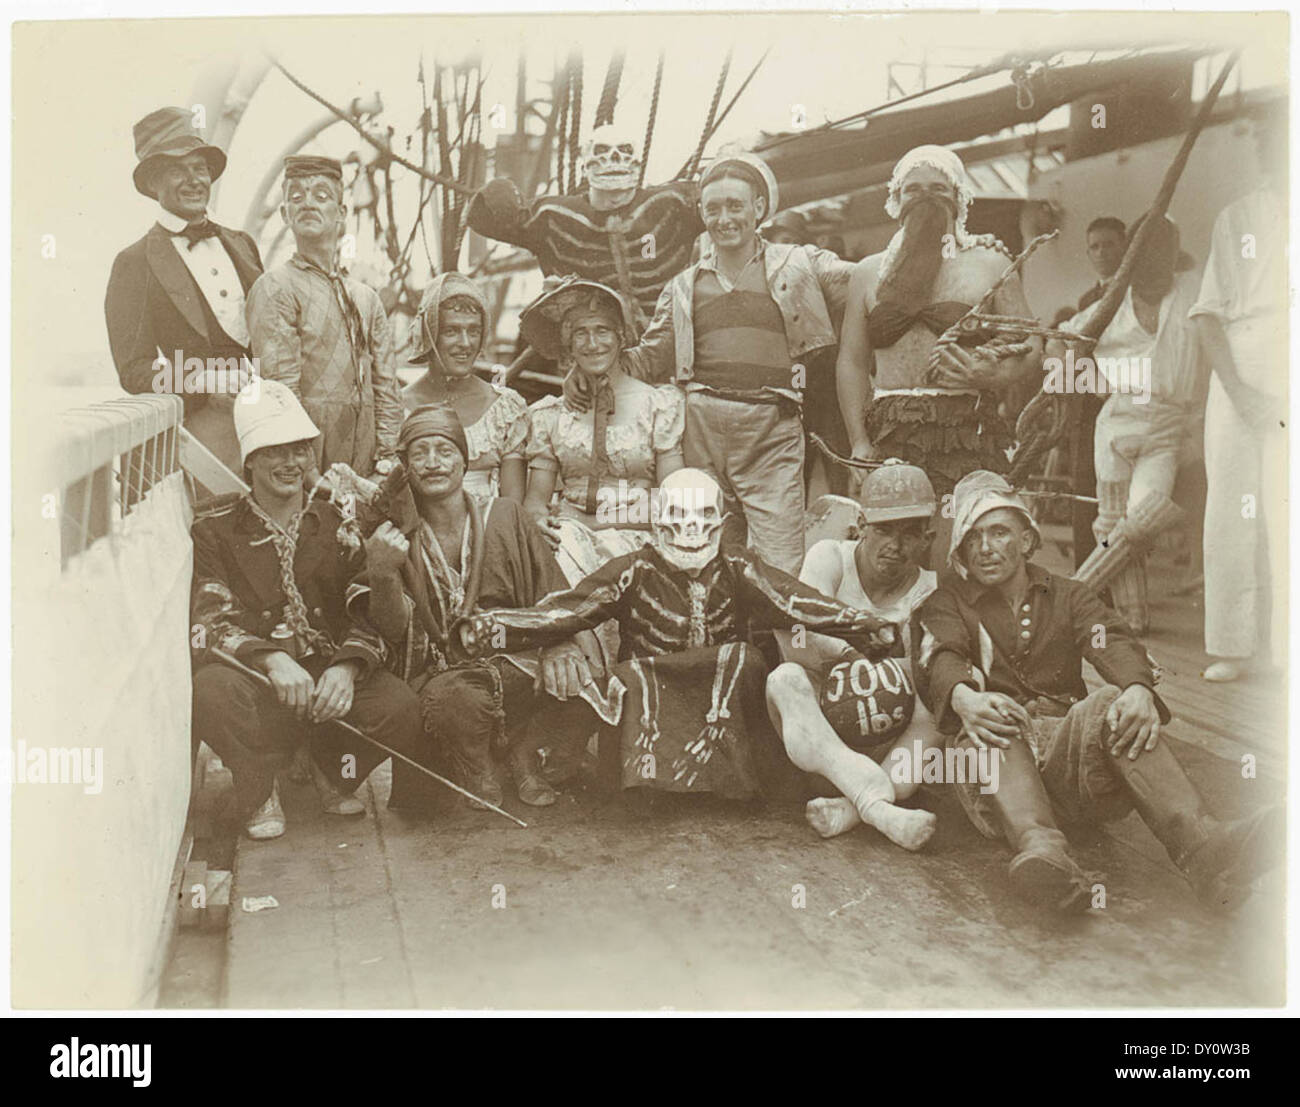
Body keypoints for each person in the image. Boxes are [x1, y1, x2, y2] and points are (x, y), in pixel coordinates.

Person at [914, 470, 1280, 914]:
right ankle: (1046, 856)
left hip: (1071, 766)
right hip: (995, 778)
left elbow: (1110, 638)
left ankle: (1204, 849)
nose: (986, 547)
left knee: (1114, 703)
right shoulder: (947, 603)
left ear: (1027, 540)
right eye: (973, 538)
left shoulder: (1069, 596)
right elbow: (940, 656)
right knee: (996, 717)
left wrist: (1137, 687)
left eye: (999, 533)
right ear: (961, 551)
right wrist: (964, 697)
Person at [457, 468, 896, 800]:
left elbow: (794, 600)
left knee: (746, 659)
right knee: (626, 677)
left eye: (703, 516)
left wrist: (858, 624)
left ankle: (732, 784)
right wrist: (497, 627)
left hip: (721, 690)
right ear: (658, 523)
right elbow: (570, 611)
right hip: (652, 685)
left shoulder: (739, 568)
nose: (691, 529)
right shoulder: (634, 571)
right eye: (678, 517)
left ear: (721, 524)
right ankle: (648, 786)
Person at [572, 153, 854, 575]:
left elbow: (871, 278)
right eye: (713, 208)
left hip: (771, 433)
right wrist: (592, 367)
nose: (724, 218)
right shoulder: (683, 287)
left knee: (782, 565)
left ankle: (785, 641)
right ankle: (721, 643)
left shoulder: (801, 263)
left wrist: (965, 244)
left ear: (758, 208)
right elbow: (650, 357)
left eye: (735, 206)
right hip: (699, 430)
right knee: (702, 557)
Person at [189, 380, 422, 840]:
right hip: (260, 683)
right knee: (210, 690)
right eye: (275, 451)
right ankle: (258, 788)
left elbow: (366, 613)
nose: (290, 463)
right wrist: (270, 659)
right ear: (250, 458)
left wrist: (348, 669)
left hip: (322, 686)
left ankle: (331, 769)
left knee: (401, 707)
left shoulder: (336, 523)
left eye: (299, 450)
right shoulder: (214, 529)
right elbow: (208, 623)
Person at [360, 404, 608, 809]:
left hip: (521, 667)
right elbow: (391, 629)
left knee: (586, 678)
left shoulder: (506, 515)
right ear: (405, 466)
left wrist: (562, 647)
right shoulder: (394, 534)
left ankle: (524, 753)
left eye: (444, 450)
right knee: (452, 701)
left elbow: (557, 596)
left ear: (464, 458)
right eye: (420, 453)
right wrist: (383, 572)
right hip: (449, 678)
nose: (434, 463)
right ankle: (477, 763)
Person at [836, 144, 1042, 495]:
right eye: (913, 189)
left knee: (958, 536)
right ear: (897, 200)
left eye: (938, 189)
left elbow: (1032, 344)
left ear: (958, 199)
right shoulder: (868, 272)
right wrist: (858, 441)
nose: (924, 197)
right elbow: (852, 361)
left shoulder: (990, 263)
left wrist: (994, 375)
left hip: (965, 430)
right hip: (889, 431)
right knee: (896, 540)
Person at [765, 460, 944, 849]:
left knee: (938, 710)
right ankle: (876, 807)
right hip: (819, 743)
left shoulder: (932, 590)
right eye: (883, 530)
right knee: (784, 679)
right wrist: (855, 651)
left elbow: (927, 673)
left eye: (910, 533)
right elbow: (800, 631)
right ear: (861, 525)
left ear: (927, 539)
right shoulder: (830, 557)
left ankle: (852, 807)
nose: (895, 547)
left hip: (891, 749)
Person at [1052, 215, 1207, 634]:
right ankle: (1133, 621)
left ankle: (1072, 599)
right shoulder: (1110, 305)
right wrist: (1092, 384)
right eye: (1147, 250)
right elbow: (1062, 340)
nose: (1155, 259)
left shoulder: (1191, 295)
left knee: (1140, 520)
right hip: (1116, 426)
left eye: (1164, 250)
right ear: (1134, 255)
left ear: (1175, 254)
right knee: (1110, 520)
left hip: (1166, 429)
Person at [105, 106, 262, 475]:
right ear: (154, 182)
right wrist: (204, 382)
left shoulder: (243, 244)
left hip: (262, 430)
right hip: (197, 438)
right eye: (178, 169)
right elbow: (134, 372)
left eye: (200, 168)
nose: (193, 180)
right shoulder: (134, 262)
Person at [1190, 107, 1288, 683]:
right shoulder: (1238, 218)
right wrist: (1242, 393)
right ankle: (1231, 643)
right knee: (1231, 507)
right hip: (1239, 365)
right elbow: (1207, 318)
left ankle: (1287, 648)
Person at [247, 155, 402, 478]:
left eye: (321, 196)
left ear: (341, 213)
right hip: (309, 462)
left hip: (368, 461)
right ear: (285, 213)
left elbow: (387, 385)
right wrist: (306, 473)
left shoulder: (365, 297)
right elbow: (281, 391)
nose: (307, 204)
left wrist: (385, 462)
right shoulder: (276, 287)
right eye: (296, 196)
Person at [467, 122, 703, 333]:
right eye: (601, 151)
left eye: (624, 150)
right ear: (584, 166)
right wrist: (503, 196)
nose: (613, 158)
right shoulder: (551, 218)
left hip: (675, 340)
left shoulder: (673, 204)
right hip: (596, 348)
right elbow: (485, 218)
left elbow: (728, 204)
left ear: (637, 162)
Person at [522, 278, 685, 583]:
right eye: (581, 333)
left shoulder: (659, 406)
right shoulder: (550, 415)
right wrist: (539, 518)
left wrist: (591, 521)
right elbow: (535, 499)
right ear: (569, 344)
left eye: (602, 331)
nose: (593, 344)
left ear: (621, 337)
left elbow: (671, 502)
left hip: (641, 543)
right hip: (569, 540)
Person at [404, 272, 529, 502]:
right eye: (451, 331)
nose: (465, 343)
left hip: (489, 530)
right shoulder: (398, 407)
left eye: (473, 331)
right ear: (429, 334)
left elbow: (512, 503)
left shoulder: (505, 409)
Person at [1078, 216, 1127, 312]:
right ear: (1089, 254)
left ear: (1124, 248)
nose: (1101, 253)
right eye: (1094, 247)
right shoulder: (1086, 301)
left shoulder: (1136, 290)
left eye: (1109, 245)